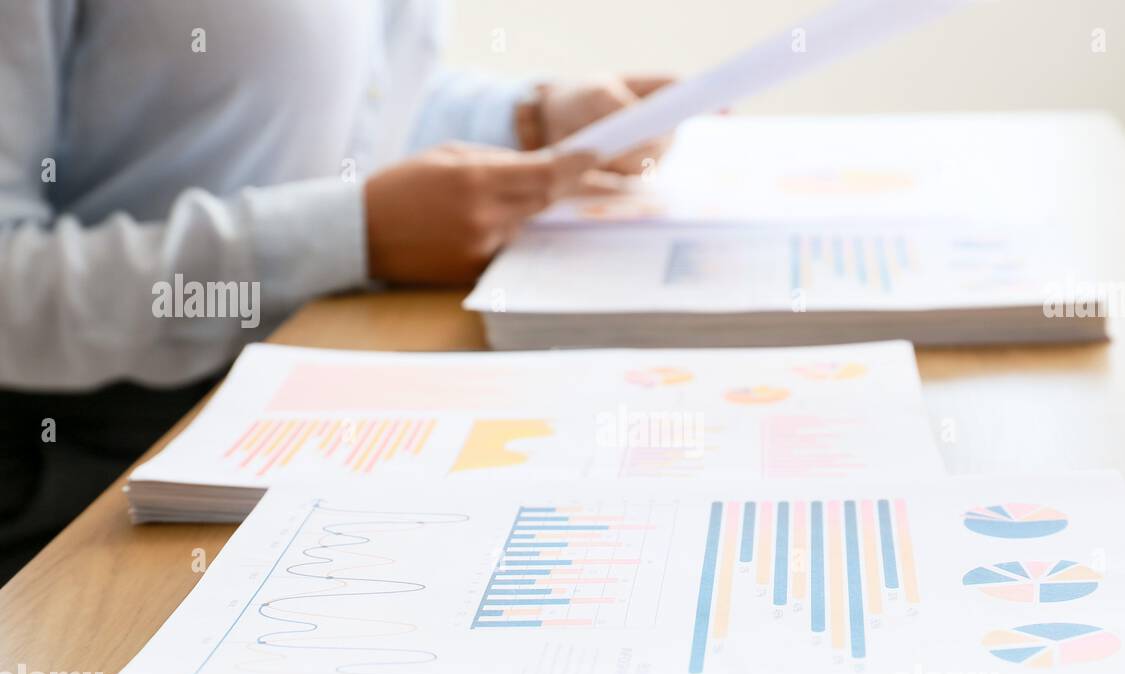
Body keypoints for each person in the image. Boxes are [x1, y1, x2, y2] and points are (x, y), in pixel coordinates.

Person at [0, 0, 669, 584]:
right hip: (76, 473)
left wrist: (527, 120)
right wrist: (352, 234)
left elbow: (354, 107)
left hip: (307, 390)